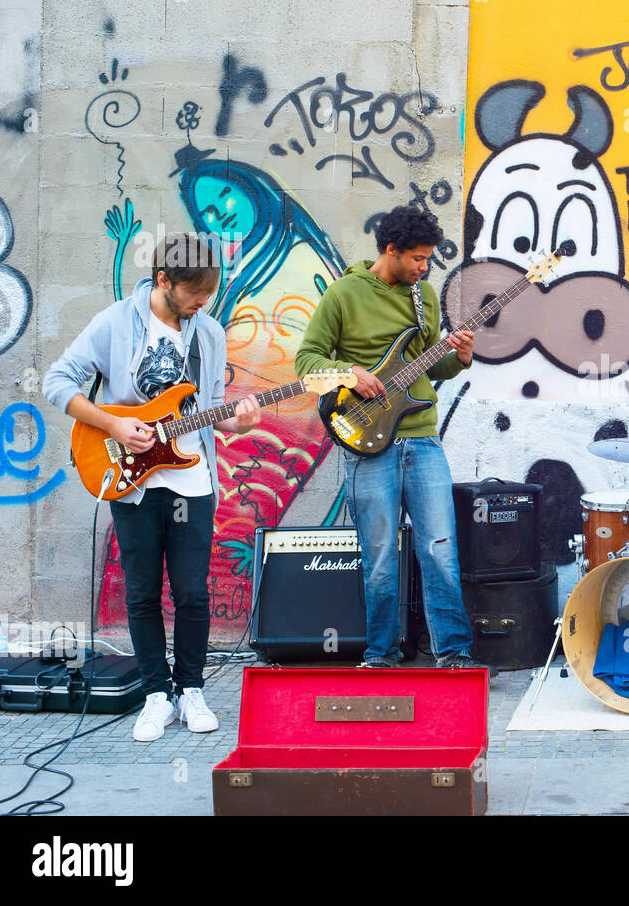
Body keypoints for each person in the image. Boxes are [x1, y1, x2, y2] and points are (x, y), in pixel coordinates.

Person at [44, 233, 260, 742]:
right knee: (141, 594)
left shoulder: (208, 333)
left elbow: (211, 410)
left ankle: (191, 691)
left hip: (192, 483)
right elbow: (57, 380)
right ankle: (156, 695)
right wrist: (114, 424)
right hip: (130, 479)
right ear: (164, 280)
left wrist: (241, 421)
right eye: (195, 293)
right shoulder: (116, 322)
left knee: (192, 593)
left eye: (208, 295)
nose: (202, 303)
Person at [294, 206, 492, 673]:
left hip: (422, 438)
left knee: (440, 549)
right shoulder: (344, 294)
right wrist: (350, 373)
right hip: (367, 442)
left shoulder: (424, 296)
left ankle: (454, 654)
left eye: (428, 259)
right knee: (381, 556)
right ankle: (380, 656)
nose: (425, 267)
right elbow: (306, 362)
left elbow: (428, 366)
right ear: (391, 250)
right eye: (418, 258)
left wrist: (460, 358)